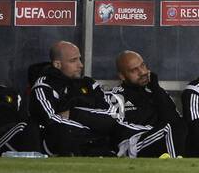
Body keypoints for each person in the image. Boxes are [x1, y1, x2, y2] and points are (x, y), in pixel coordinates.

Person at [27, 40, 179, 158]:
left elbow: (109, 116)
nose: (80, 65)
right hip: (69, 139)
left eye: (80, 59)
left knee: (176, 128)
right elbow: (51, 121)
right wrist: (90, 122)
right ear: (57, 64)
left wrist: (74, 113)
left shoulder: (89, 83)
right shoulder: (43, 87)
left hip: (99, 138)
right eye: (74, 61)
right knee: (63, 131)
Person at [113, 50, 188, 158]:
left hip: (159, 137)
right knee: (169, 127)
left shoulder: (155, 91)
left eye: (142, 65)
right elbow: (118, 127)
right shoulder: (115, 95)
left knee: (184, 124)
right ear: (122, 76)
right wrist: (154, 129)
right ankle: (177, 165)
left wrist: (156, 88)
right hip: (132, 144)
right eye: (134, 70)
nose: (142, 72)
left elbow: (174, 119)